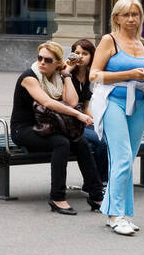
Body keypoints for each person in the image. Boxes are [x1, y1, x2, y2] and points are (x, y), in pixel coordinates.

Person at [90, 0, 144, 237]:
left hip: (139, 102)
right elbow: (94, 75)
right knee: (121, 157)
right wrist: (127, 74)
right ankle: (117, 215)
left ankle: (117, 211)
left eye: (135, 14)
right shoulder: (109, 41)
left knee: (128, 159)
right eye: (126, 15)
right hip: (113, 102)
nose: (131, 19)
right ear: (116, 18)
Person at [9, 40, 102, 216]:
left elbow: (73, 101)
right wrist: (78, 115)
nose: (42, 62)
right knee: (62, 143)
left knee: (80, 142)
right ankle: (57, 197)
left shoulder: (59, 77)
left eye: (48, 60)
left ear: (58, 63)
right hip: (24, 129)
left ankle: (96, 195)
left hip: (48, 126)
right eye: (40, 58)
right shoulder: (29, 77)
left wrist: (66, 75)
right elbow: (47, 102)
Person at [64, 39, 107, 185]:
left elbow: (86, 106)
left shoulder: (89, 76)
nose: (80, 56)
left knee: (104, 138)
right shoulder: (66, 73)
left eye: (85, 53)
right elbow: (69, 103)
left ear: (91, 56)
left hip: (82, 121)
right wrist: (67, 72)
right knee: (101, 142)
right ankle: (99, 182)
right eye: (76, 53)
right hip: (68, 122)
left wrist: (96, 120)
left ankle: (93, 183)